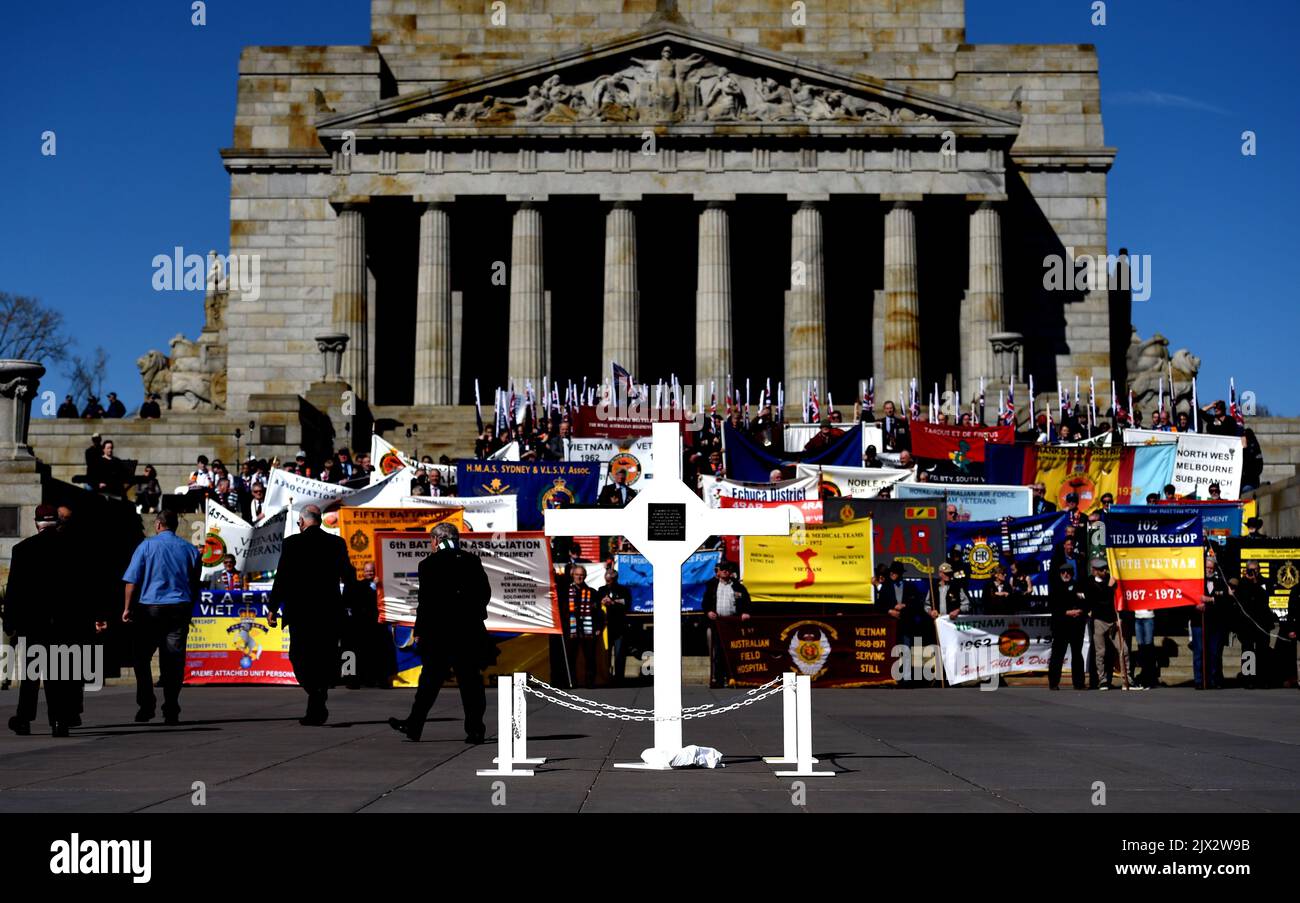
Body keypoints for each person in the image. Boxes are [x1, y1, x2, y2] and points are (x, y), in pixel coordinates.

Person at [389, 522, 492, 743]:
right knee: (471, 684)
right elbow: (485, 593)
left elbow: (425, 602)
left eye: (431, 541)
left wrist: (420, 631)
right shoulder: (472, 561)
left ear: (436, 540)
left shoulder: (429, 564)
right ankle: (475, 730)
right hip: (468, 633)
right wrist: (473, 615)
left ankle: (414, 726)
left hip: (440, 635)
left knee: (429, 684)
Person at [6, 506, 104, 736]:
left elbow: (15, 590)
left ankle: (24, 718)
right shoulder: (73, 548)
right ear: (56, 522)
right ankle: (59, 720)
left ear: (37, 522)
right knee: (58, 674)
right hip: (65, 622)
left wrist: (10, 621)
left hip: (33, 622)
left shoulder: (22, 549)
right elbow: (86, 589)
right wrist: (96, 616)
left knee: (31, 674)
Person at [267, 505, 354, 725]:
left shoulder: (292, 543)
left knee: (299, 657)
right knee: (324, 658)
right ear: (320, 521)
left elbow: (282, 578)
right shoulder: (336, 543)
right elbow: (348, 575)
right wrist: (347, 604)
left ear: (302, 522)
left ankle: (315, 696)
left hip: (301, 612)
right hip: (328, 611)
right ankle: (318, 695)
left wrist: (272, 607)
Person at [121, 510, 202, 724]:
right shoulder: (190, 549)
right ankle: (171, 706)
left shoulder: (146, 546)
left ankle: (146, 703)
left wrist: (127, 608)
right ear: (175, 526)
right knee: (174, 659)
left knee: (141, 657)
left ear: (158, 525)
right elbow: (195, 583)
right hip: (179, 608)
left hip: (151, 608)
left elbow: (132, 580)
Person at [1084, 558, 1135, 690]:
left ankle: (1127, 679)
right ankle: (1103, 680)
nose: (1104, 571)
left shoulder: (1110, 580)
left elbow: (1117, 599)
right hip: (1099, 621)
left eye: (1105, 568)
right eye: (1101, 570)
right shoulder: (1089, 583)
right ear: (1095, 571)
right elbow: (1098, 600)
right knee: (1101, 652)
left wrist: (1120, 618)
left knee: (1123, 650)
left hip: (1113, 620)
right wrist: (1109, 588)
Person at [702, 559, 751, 687]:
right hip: (716, 624)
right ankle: (718, 680)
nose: (725, 571)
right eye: (723, 568)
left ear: (730, 572)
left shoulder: (738, 586)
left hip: (732, 624)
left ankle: (733, 679)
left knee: (733, 652)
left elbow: (747, 602)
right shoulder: (712, 585)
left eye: (727, 569)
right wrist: (708, 612)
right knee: (717, 652)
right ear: (718, 571)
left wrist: (745, 612)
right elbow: (705, 603)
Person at [562, 565, 607, 688]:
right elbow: (561, 611)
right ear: (573, 576)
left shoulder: (592, 592)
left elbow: (599, 613)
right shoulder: (565, 592)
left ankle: (590, 682)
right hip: (571, 630)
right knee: (570, 657)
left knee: (590, 657)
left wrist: (598, 628)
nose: (579, 577)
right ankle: (571, 682)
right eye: (577, 574)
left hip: (588, 630)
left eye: (581, 575)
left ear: (585, 576)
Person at [1233, 561, 1276, 688]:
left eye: (1255, 570)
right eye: (1250, 570)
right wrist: (1248, 581)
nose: (1253, 572)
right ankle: (1248, 679)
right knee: (1248, 651)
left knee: (1263, 651)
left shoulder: (1265, 582)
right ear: (1246, 570)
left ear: (1259, 569)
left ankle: (1263, 679)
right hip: (1247, 624)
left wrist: (1255, 583)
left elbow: (1266, 597)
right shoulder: (1242, 583)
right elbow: (1241, 598)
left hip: (1262, 622)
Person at [1047, 562, 1088, 690]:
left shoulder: (1078, 586)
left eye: (1068, 572)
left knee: (1077, 655)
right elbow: (1053, 606)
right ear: (1060, 574)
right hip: (1061, 625)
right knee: (1058, 655)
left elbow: (1085, 602)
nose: (1066, 574)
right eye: (1063, 572)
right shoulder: (1055, 587)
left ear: (1072, 573)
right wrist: (1066, 612)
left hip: (1076, 625)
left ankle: (1079, 682)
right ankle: (1053, 682)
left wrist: (1080, 610)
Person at [341, 562, 381, 689]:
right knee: (350, 653)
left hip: (358, 625)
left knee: (358, 653)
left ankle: (358, 680)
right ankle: (351, 680)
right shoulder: (355, 585)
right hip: (349, 624)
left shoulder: (357, 585)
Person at [1192, 557, 1228, 690]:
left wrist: (1212, 599)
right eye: (1207, 568)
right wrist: (1196, 605)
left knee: (1215, 652)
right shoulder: (1196, 582)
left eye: (1211, 568)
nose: (1209, 570)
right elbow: (1189, 598)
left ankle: (1215, 679)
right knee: (1199, 652)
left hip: (1216, 622)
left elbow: (1225, 598)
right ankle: (1199, 680)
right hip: (1198, 621)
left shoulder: (1220, 581)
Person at [595, 566, 633, 685]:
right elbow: (595, 605)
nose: (608, 582)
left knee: (619, 655)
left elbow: (627, 605)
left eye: (610, 580)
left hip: (619, 627)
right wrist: (601, 602)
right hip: (605, 628)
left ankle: (619, 679)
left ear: (615, 579)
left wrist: (613, 603)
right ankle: (606, 677)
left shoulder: (623, 590)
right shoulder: (601, 590)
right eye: (606, 580)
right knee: (605, 655)